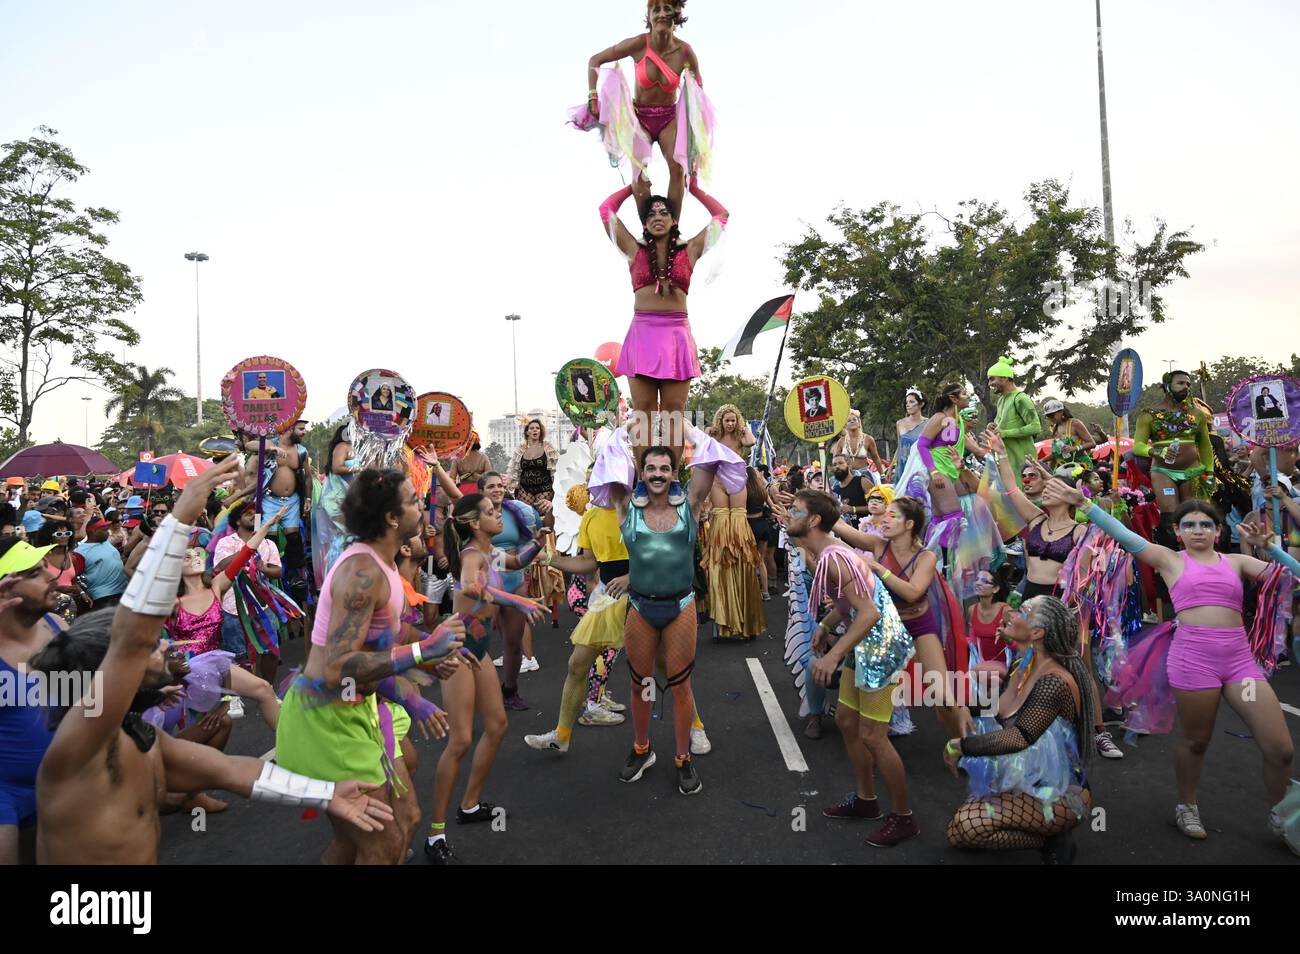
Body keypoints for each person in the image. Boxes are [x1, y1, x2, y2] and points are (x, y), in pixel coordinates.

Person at [29, 457, 396, 864]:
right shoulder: (78, 747)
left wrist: (326, 793)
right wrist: (180, 518)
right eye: (152, 648)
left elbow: (238, 774)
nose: (165, 646)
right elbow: (132, 639)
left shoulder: (139, 738)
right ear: (108, 674)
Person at [1046, 480, 1296, 851]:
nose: (1199, 530)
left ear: (1219, 531)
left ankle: (1283, 815)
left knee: (1282, 749)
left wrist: (1271, 547)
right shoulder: (1169, 560)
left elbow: (1292, 577)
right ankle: (1187, 805)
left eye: (1206, 524)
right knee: (1196, 741)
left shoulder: (1238, 561)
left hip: (1239, 661)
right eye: (1190, 525)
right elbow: (1125, 536)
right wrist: (1085, 504)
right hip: (1194, 660)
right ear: (1178, 532)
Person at [277, 467, 469, 865]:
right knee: (381, 845)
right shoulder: (362, 572)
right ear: (392, 518)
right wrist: (423, 653)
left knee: (383, 833)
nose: (423, 505)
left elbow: (387, 634)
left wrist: (434, 649)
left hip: (355, 713)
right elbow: (338, 668)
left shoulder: (383, 566)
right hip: (326, 721)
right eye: (414, 501)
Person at [586, 425, 740, 794]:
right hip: (640, 607)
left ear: (675, 473)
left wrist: (684, 426)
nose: (657, 474)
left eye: (664, 469)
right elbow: (611, 457)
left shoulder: (691, 504)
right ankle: (642, 749)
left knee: (680, 684)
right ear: (641, 473)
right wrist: (623, 430)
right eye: (650, 468)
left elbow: (710, 455)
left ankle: (683, 757)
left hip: (681, 606)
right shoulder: (626, 506)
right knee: (641, 685)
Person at [787, 489, 920, 847]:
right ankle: (866, 801)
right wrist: (826, 625)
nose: (787, 515)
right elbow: (852, 603)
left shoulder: (834, 558)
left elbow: (870, 612)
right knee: (847, 721)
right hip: (863, 642)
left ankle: (904, 817)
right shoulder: (825, 554)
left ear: (813, 521)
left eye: (795, 510)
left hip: (880, 645)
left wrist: (832, 655)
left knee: (874, 736)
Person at [984, 429, 1124, 759]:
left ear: (1070, 495)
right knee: (1024, 663)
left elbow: (1086, 580)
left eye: (1051, 489)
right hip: (1030, 597)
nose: (1043, 492)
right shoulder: (1034, 520)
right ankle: (1016, 727)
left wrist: (1075, 612)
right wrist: (1002, 453)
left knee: (1079, 667)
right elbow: (1012, 488)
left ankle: (1098, 732)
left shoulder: (1081, 531)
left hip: (1064, 604)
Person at [427, 492, 547, 864]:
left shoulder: (490, 553)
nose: (500, 515)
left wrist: (538, 542)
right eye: (492, 513)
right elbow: (470, 587)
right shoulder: (471, 556)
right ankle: (435, 834)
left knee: (496, 726)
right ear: (475, 524)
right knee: (461, 740)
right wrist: (519, 601)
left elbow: (514, 560)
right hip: (458, 650)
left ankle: (469, 804)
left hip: (477, 651)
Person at [945, 596, 1094, 864]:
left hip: (1060, 794)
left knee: (968, 826)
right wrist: (962, 706)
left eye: (1023, 612)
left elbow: (1020, 736)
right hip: (1026, 780)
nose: (1012, 614)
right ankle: (1042, 832)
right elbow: (999, 708)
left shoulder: (1053, 681)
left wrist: (960, 746)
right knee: (956, 834)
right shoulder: (1026, 663)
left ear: (1037, 632)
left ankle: (1050, 840)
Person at [599, 177, 728, 468]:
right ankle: (645, 479)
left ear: (673, 219)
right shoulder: (633, 249)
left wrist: (693, 188)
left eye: (664, 213)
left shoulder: (690, 250)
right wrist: (631, 189)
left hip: (675, 335)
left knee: (673, 413)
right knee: (643, 413)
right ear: (644, 223)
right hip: (643, 333)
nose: (658, 217)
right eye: (651, 214)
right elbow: (606, 210)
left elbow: (721, 216)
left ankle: (670, 478)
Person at [830, 497, 973, 740]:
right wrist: (812, 509)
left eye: (893, 515)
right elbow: (839, 528)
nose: (885, 519)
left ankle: (962, 745)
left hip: (919, 625)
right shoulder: (878, 543)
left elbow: (913, 591)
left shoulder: (925, 557)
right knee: (870, 694)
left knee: (943, 695)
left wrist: (877, 568)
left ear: (909, 525)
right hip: (887, 627)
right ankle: (876, 744)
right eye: (886, 514)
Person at [582, 1, 707, 217]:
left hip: (669, 118)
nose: (661, 14)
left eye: (667, 9)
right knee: (639, 174)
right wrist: (593, 95)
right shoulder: (639, 44)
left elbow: (699, 94)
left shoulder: (685, 52)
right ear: (648, 17)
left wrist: (695, 143)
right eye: (655, 10)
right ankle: (648, 232)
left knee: (678, 169)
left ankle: (673, 230)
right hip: (640, 118)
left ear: (676, 15)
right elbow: (595, 60)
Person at [0, 538, 63, 865]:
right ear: (6, 590)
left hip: (61, 781)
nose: (51, 576)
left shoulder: (55, 626)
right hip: (4, 794)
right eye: (36, 574)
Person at [478, 473, 550, 709]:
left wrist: (536, 546)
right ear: (482, 492)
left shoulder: (517, 511)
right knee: (480, 642)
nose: (497, 489)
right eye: (491, 486)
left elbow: (526, 547)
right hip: (486, 584)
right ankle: (479, 693)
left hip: (514, 579)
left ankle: (510, 690)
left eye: (500, 485)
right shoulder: (475, 518)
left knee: (513, 641)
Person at [703, 406, 765, 639]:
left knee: (738, 524)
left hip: (737, 480)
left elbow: (751, 441)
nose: (729, 424)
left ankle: (743, 612)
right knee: (720, 521)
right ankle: (723, 613)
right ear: (721, 420)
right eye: (726, 420)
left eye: (733, 420)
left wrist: (744, 425)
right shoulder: (714, 435)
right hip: (718, 480)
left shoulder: (741, 436)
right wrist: (710, 430)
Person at [1133, 370, 1215, 545]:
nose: (1185, 387)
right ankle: (1170, 563)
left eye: (1188, 384)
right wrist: (1156, 452)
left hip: (1192, 472)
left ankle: (1195, 558)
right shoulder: (1148, 414)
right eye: (1180, 383)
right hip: (1163, 473)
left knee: (1193, 515)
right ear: (1166, 386)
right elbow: (1137, 446)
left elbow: (1205, 445)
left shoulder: (1197, 413)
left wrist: (1209, 472)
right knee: (1170, 518)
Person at [213, 500, 291, 685]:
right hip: (232, 607)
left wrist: (264, 568)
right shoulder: (226, 542)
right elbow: (221, 566)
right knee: (236, 654)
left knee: (271, 651)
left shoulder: (269, 544)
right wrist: (247, 550)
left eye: (255, 513)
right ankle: (235, 698)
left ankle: (268, 688)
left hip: (263, 606)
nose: (253, 515)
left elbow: (278, 570)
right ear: (237, 521)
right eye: (247, 513)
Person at [987, 357, 1043, 491]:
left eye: (992, 379)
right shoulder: (1001, 400)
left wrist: (1005, 433)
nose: (990, 383)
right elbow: (1001, 425)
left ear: (1004, 378)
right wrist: (993, 426)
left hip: (1024, 466)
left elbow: (1036, 427)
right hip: (1007, 463)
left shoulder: (1021, 398)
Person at [74, 512, 129, 609]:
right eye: (103, 529)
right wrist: (83, 593)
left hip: (123, 592)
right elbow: (73, 577)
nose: (107, 532)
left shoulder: (106, 542)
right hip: (103, 598)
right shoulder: (80, 552)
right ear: (93, 531)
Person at [507, 419, 559, 509]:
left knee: (543, 514)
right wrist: (511, 487)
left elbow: (557, 468)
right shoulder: (520, 449)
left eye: (537, 428)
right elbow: (514, 471)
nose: (535, 430)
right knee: (526, 515)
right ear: (527, 432)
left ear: (540, 431)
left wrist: (557, 489)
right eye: (532, 428)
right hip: (525, 489)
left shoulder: (548, 447)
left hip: (545, 488)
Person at [1043, 399, 1097, 471]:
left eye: (1051, 415)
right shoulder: (1054, 429)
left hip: (1081, 467)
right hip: (1065, 468)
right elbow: (1055, 454)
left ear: (1061, 412)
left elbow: (1092, 443)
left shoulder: (1075, 423)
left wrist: (1074, 448)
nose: (1050, 418)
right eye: (1047, 416)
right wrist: (1040, 462)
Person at [832, 409, 887, 477]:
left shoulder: (868, 439)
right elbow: (836, 460)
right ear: (845, 425)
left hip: (864, 475)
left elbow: (876, 458)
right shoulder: (841, 441)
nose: (852, 421)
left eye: (854, 419)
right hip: (847, 476)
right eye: (849, 421)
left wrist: (882, 475)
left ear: (859, 423)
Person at [894, 388, 927, 474]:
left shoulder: (929, 423)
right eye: (906, 403)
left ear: (921, 404)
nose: (908, 405)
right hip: (903, 464)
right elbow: (900, 446)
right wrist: (892, 466)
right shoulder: (899, 423)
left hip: (920, 465)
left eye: (911, 402)